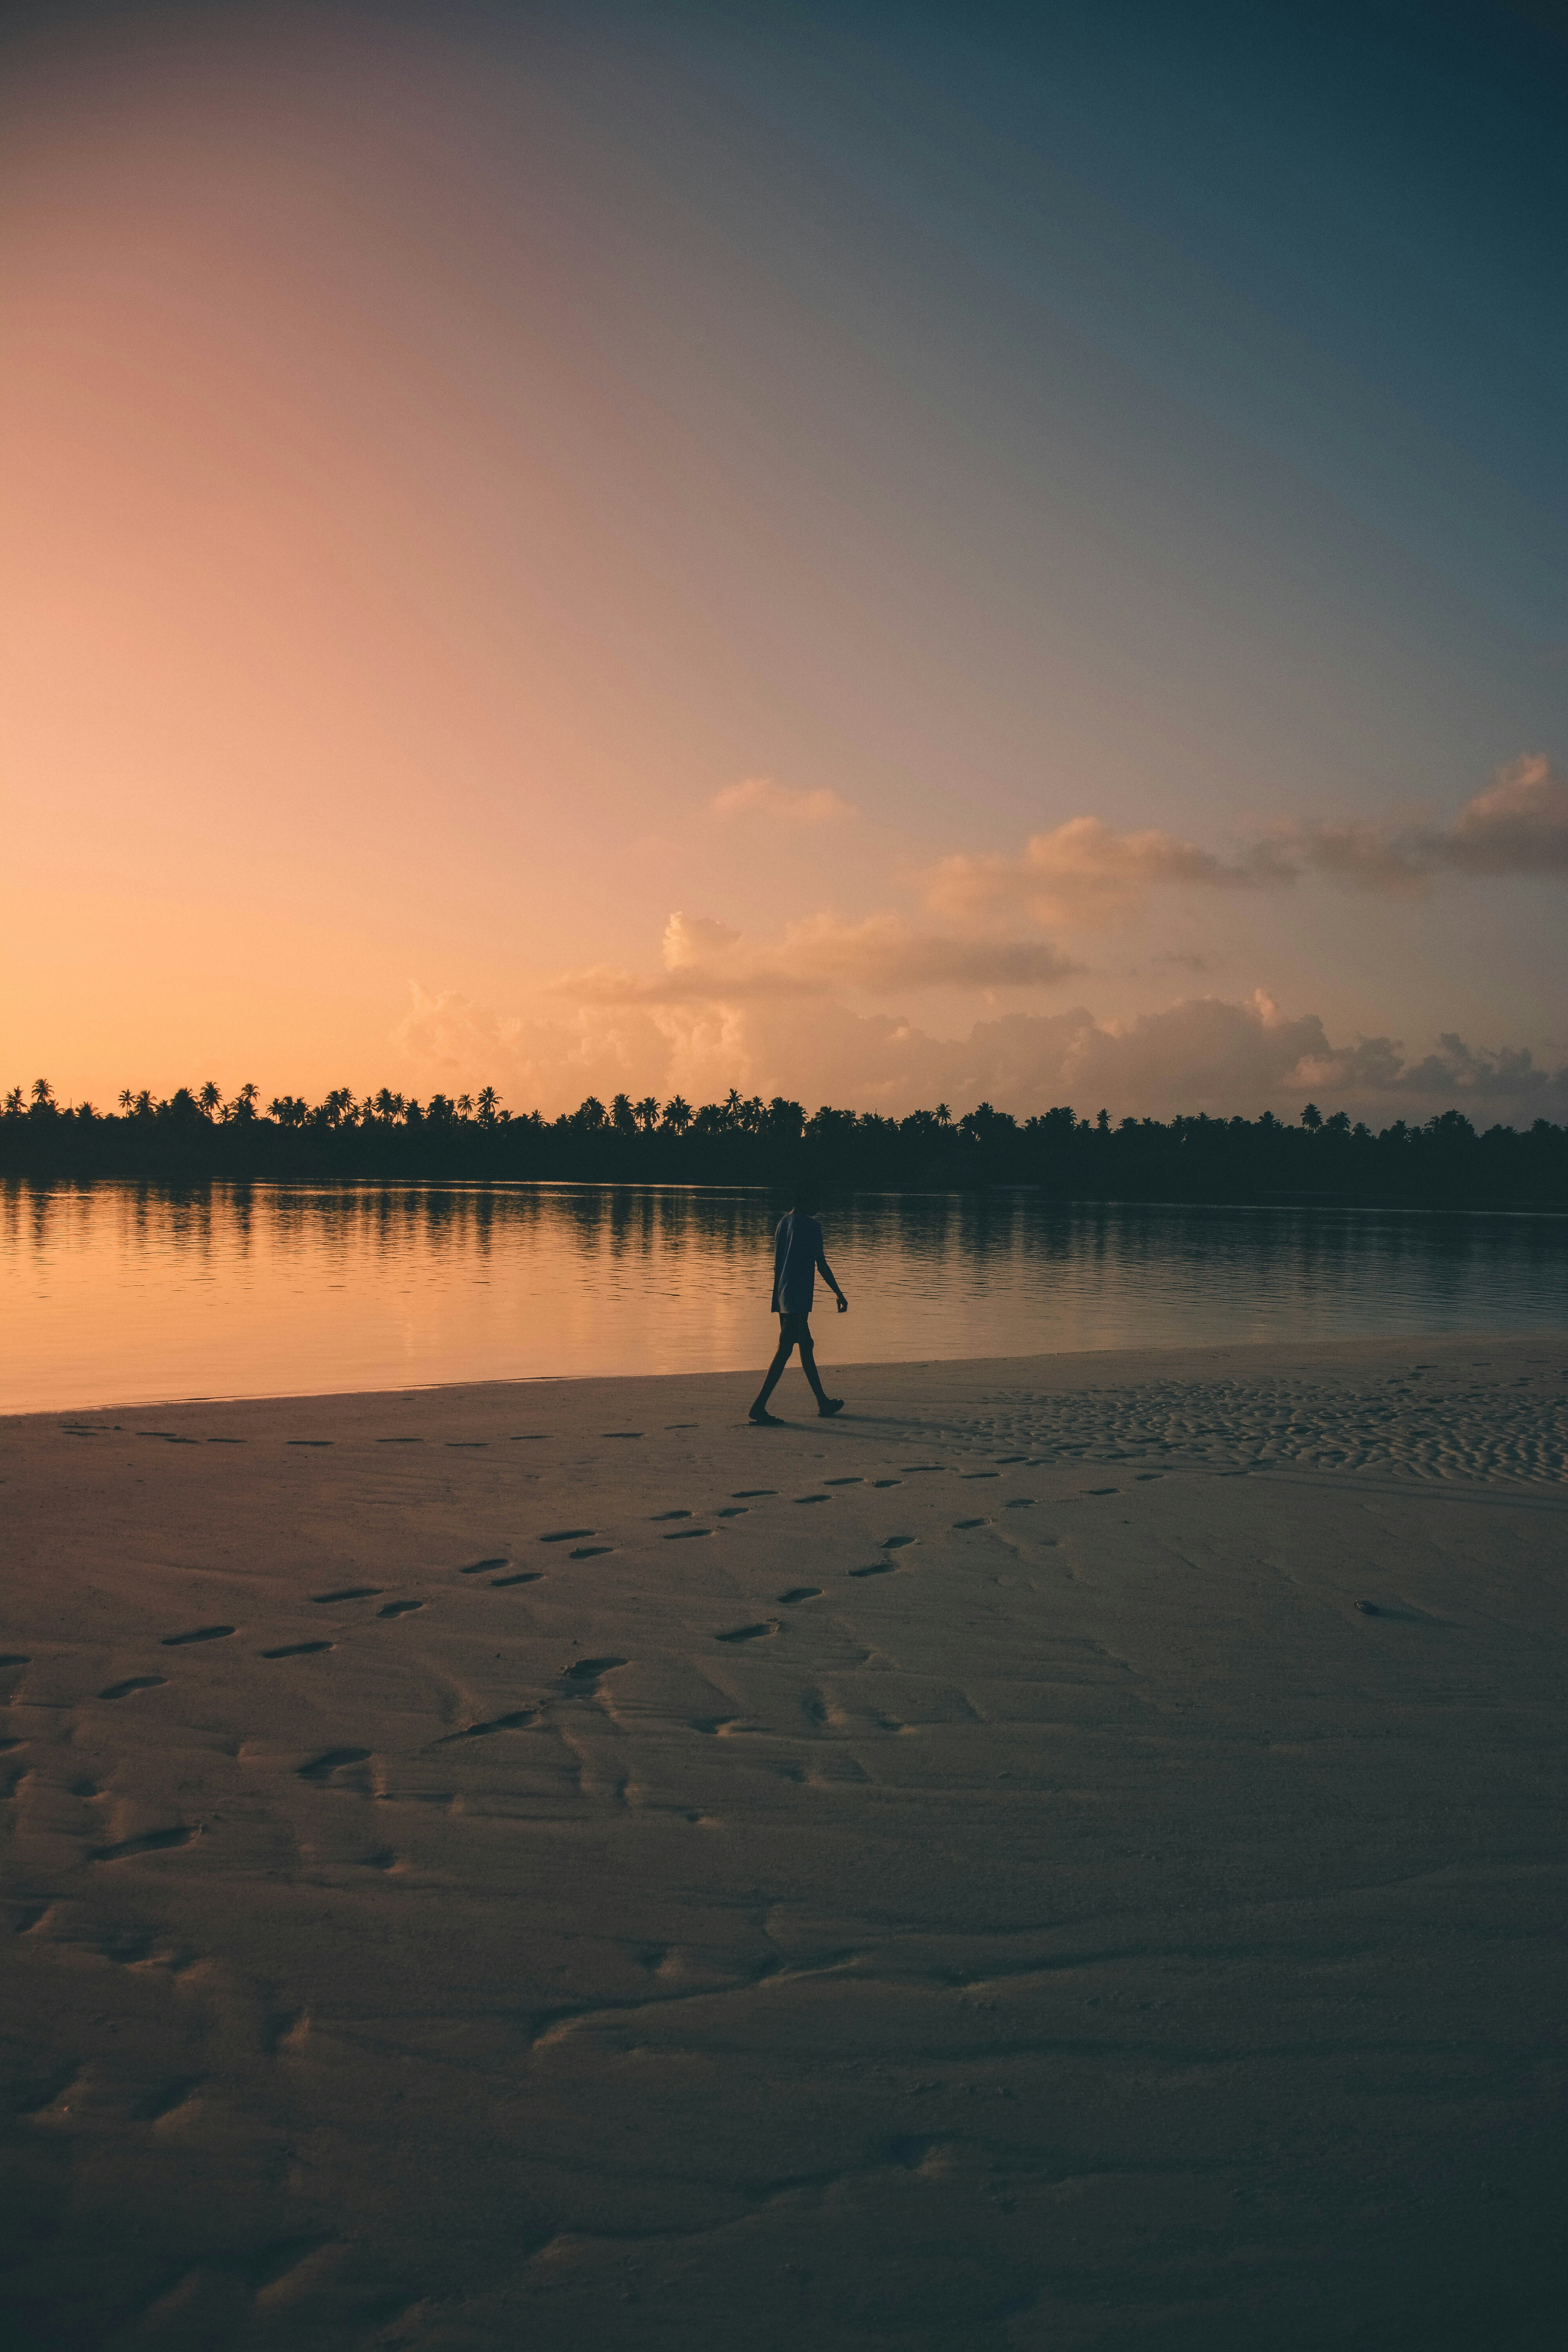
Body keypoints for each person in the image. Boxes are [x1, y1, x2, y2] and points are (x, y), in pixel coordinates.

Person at [749, 1188, 848, 1423]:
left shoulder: (784, 1222)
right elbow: (821, 1264)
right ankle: (759, 1407)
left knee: (806, 1344)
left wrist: (780, 1296)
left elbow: (779, 1263)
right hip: (799, 1296)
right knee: (785, 1349)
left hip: (783, 1294)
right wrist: (839, 1293)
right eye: (818, 1201)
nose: (820, 1207)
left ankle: (823, 1403)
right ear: (807, 1199)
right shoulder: (811, 1226)